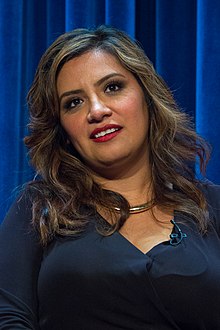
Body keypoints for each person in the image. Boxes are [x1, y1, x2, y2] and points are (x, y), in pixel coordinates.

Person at [0, 25, 220, 330]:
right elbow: (7, 316)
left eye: (113, 87)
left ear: (147, 97)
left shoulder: (213, 206)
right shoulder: (39, 209)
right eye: (73, 102)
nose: (97, 110)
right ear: (62, 129)